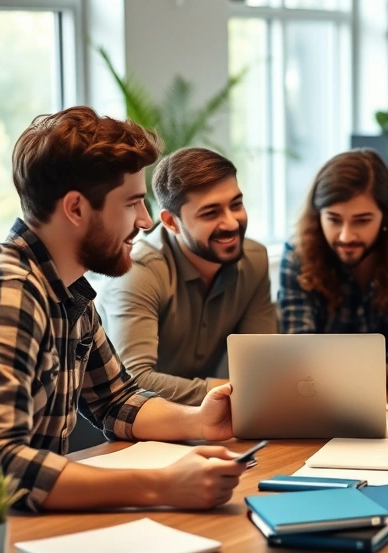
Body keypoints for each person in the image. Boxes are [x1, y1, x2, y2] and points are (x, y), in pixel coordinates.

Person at [0, 107, 247, 512]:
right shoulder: (5, 294)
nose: (145, 222)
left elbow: (116, 400)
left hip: (16, 522)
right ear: (75, 209)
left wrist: (200, 421)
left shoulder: (68, 290)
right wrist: (161, 486)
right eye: (131, 203)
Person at [97, 147, 278, 406]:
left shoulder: (254, 260)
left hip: (209, 424)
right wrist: (228, 390)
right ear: (171, 222)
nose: (231, 223)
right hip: (134, 429)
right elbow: (134, 380)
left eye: (236, 204)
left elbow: (262, 365)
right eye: (210, 213)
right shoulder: (138, 272)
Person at [279, 149, 388, 387]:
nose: (346, 236)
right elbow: (299, 346)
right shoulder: (298, 255)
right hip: (322, 394)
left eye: (362, 220)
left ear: (386, 217)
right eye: (334, 219)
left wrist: (357, 379)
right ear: (318, 217)